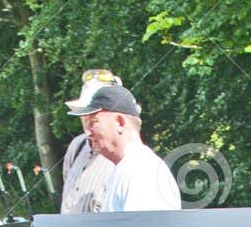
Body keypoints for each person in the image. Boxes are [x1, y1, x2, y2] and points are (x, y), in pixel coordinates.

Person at [80, 83, 181, 212]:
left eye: (93, 123)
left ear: (120, 123)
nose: (87, 132)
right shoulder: (128, 168)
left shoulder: (142, 171)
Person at [60, 68, 123, 213]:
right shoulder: (77, 146)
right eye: (84, 116)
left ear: (117, 118)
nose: (88, 128)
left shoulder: (127, 160)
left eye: (94, 119)